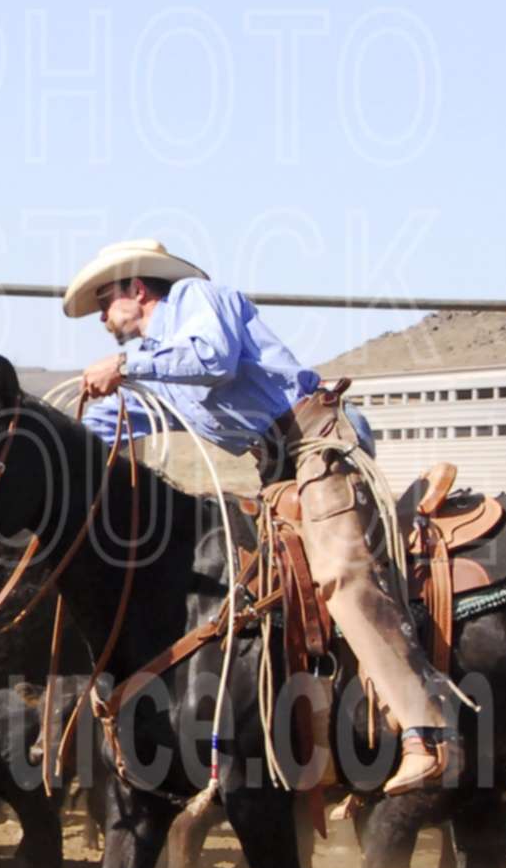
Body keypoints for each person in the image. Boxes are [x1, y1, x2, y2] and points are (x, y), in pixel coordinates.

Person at [64, 238, 456, 795]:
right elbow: (109, 426)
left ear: (137, 287)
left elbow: (214, 358)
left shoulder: (198, 300)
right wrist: (39, 439)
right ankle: (326, 732)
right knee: (262, 596)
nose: (102, 318)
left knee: (341, 573)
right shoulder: (154, 375)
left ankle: (426, 730)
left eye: (105, 302)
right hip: (274, 468)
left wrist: (125, 363)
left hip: (317, 440)